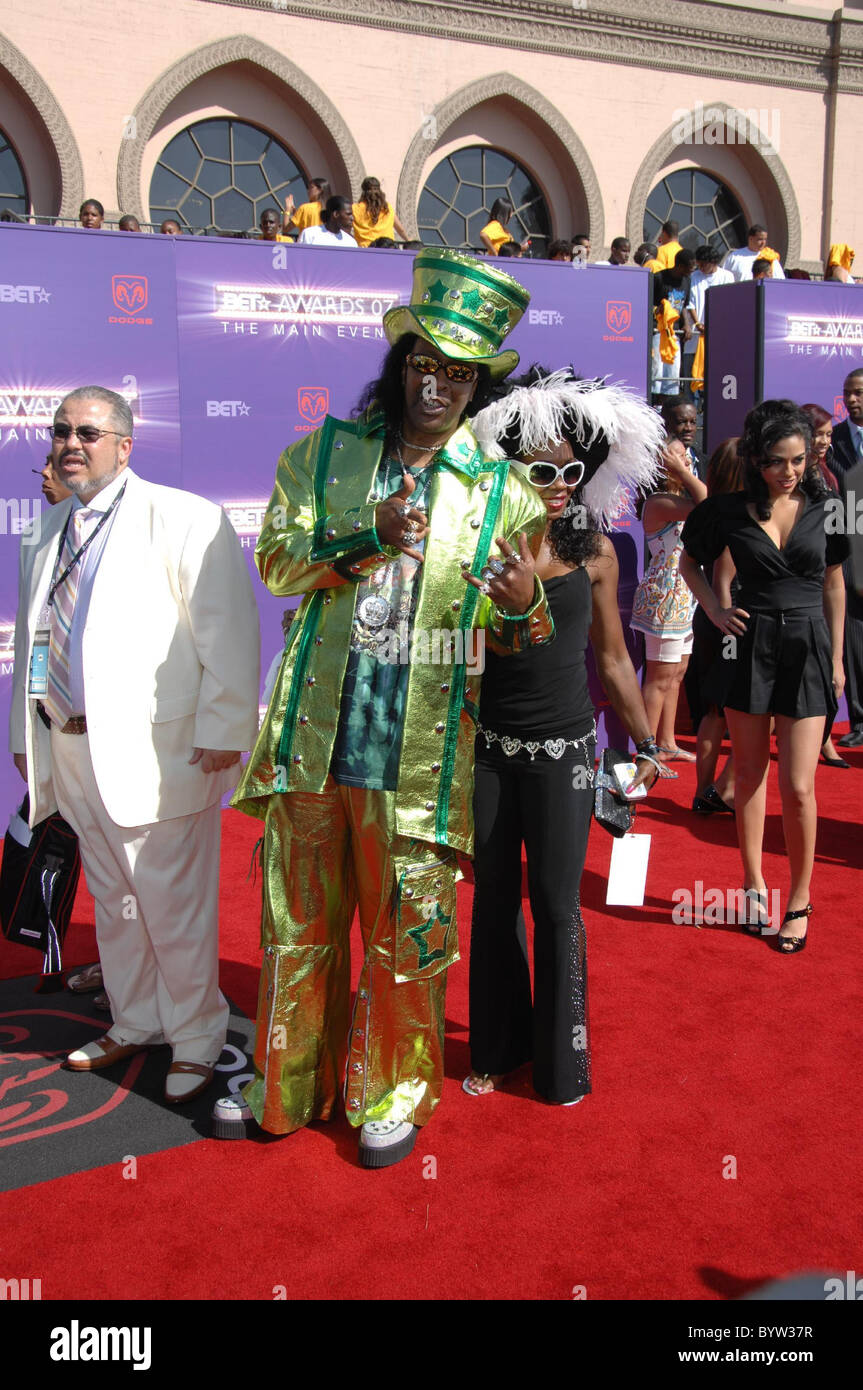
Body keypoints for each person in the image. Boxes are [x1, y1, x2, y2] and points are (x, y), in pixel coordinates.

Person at [212, 248, 553, 1167]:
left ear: (478, 385)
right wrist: (367, 534)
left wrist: (522, 601)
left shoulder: (505, 493)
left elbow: (520, 638)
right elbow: (277, 563)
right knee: (296, 930)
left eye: (458, 373)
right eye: (423, 364)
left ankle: (393, 1090)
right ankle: (284, 1084)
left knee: (409, 936)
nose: (437, 386)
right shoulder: (324, 456)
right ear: (400, 365)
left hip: (421, 757)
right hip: (317, 738)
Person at [10, 386, 260, 1100]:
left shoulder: (184, 518)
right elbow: (35, 637)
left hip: (161, 753)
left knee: (172, 907)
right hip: (69, 744)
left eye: (88, 432)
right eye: (61, 430)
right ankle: (137, 1018)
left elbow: (227, 631)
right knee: (116, 902)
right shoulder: (46, 529)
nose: (71, 443)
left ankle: (197, 1035)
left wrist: (224, 729)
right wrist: (28, 730)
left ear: (124, 445)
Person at [463, 368, 668, 1104]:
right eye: (541, 471)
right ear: (511, 468)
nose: (558, 485)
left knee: (555, 904)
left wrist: (646, 745)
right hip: (490, 749)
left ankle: (560, 1063)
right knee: (492, 902)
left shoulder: (597, 552)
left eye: (571, 473)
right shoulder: (479, 548)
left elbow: (612, 660)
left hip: (565, 754)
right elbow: (462, 658)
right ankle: (497, 1048)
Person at [679, 401, 848, 952]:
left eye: (798, 460)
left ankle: (798, 899)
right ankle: (753, 886)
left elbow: (833, 584)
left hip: (808, 647)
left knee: (798, 785)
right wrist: (714, 610)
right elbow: (688, 563)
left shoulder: (828, 507)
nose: (790, 471)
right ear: (756, 459)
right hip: (747, 646)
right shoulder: (726, 510)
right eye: (777, 460)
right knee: (749, 773)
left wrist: (837, 659)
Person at [631, 440, 707, 763]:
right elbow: (707, 504)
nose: (686, 460)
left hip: (685, 596)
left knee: (677, 673)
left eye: (686, 456)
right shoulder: (658, 502)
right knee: (660, 677)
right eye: (677, 456)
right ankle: (647, 753)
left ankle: (667, 742)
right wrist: (683, 472)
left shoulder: (677, 500)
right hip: (664, 598)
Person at [684, 437, 742, 813]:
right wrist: (723, 616)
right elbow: (723, 575)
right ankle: (719, 791)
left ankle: (706, 791)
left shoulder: (709, 512)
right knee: (747, 716)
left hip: (711, 619)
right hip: (730, 621)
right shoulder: (736, 516)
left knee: (714, 712)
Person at [800, 404, 847, 768]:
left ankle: (825, 739)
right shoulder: (785, 484)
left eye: (829, 435)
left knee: (827, 678)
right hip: (789, 597)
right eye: (818, 434)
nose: (824, 442)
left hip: (821, 590)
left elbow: (835, 574)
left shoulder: (830, 481)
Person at [829, 369, 863, 748]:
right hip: (849, 549)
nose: (852, 400)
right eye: (848, 393)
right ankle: (859, 719)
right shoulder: (834, 441)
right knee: (852, 638)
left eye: (859, 393)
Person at [652, 249, 695, 397]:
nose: (692, 271)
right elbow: (647, 303)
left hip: (674, 332)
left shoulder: (687, 281)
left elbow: (684, 305)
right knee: (657, 368)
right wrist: (658, 309)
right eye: (690, 267)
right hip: (658, 330)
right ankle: (654, 401)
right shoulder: (658, 278)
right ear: (680, 266)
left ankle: (669, 401)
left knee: (673, 371)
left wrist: (687, 324)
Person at [351, 177, 409, 247]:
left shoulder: (355, 208)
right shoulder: (387, 208)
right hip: (386, 248)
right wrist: (409, 241)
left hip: (364, 250)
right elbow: (401, 230)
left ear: (363, 192)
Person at [661, 396, 702, 478]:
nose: (689, 428)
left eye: (693, 422)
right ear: (664, 424)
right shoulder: (653, 465)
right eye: (681, 422)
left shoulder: (706, 463)